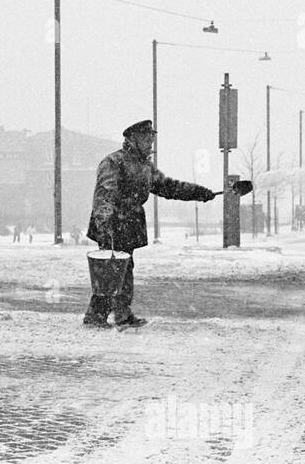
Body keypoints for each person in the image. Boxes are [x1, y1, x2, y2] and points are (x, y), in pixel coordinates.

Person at [85, 120, 216, 328]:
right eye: (147, 139)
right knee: (112, 270)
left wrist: (199, 193)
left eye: (152, 139)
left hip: (129, 222)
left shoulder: (145, 167)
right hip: (112, 222)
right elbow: (105, 195)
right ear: (133, 139)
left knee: (125, 268)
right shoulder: (113, 162)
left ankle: (121, 313)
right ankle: (96, 316)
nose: (151, 144)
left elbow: (168, 187)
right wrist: (105, 225)